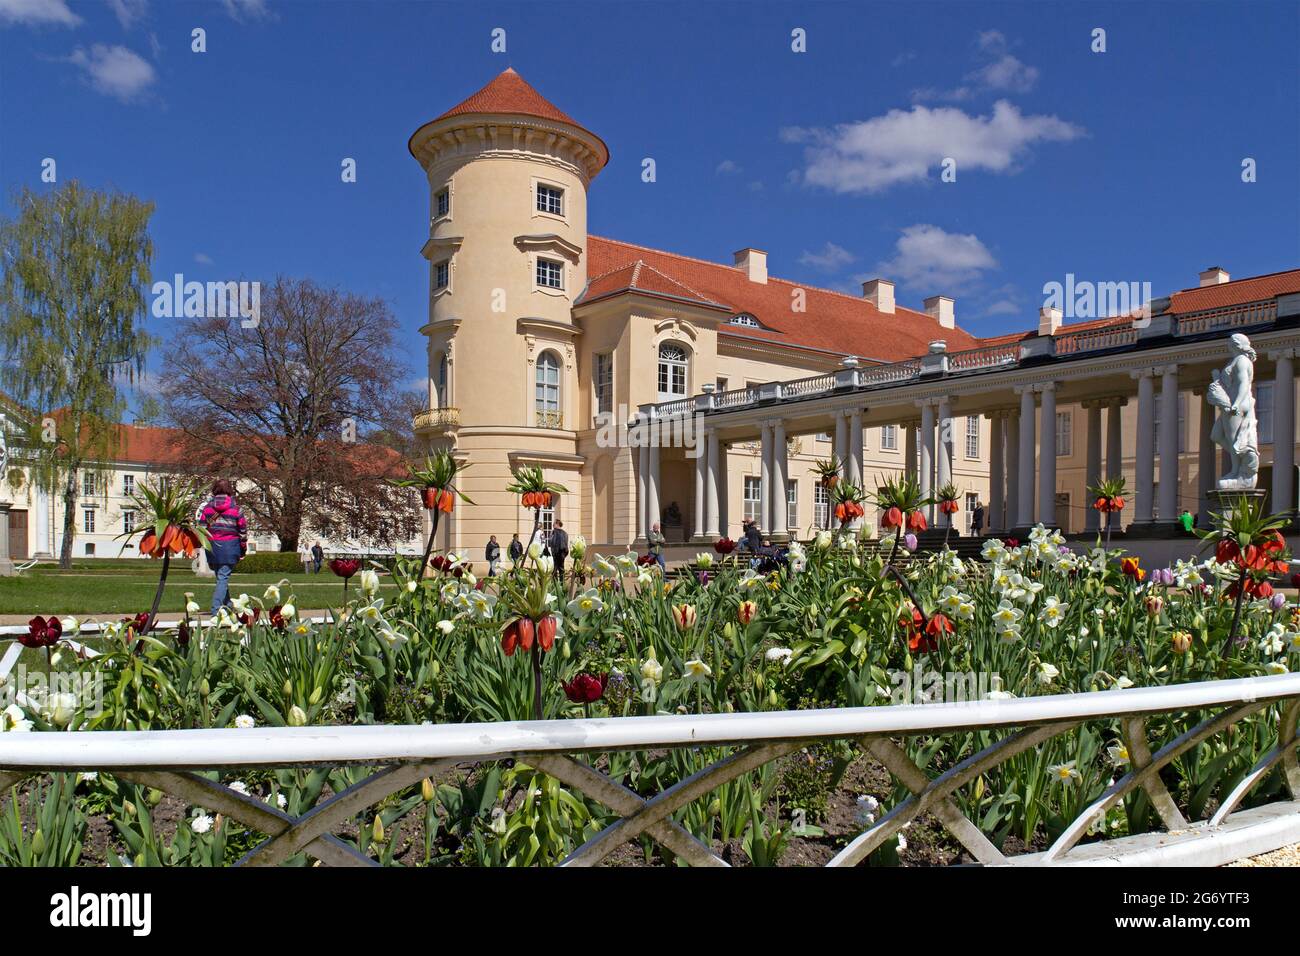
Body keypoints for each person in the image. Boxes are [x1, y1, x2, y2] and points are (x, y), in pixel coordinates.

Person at [200, 479, 248, 615]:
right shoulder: (236, 509)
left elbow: (202, 528)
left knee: (221, 577)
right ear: (230, 490)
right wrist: (243, 549)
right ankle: (216, 610)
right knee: (223, 578)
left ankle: (228, 606)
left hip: (212, 546)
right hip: (230, 546)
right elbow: (242, 531)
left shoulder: (208, 508)